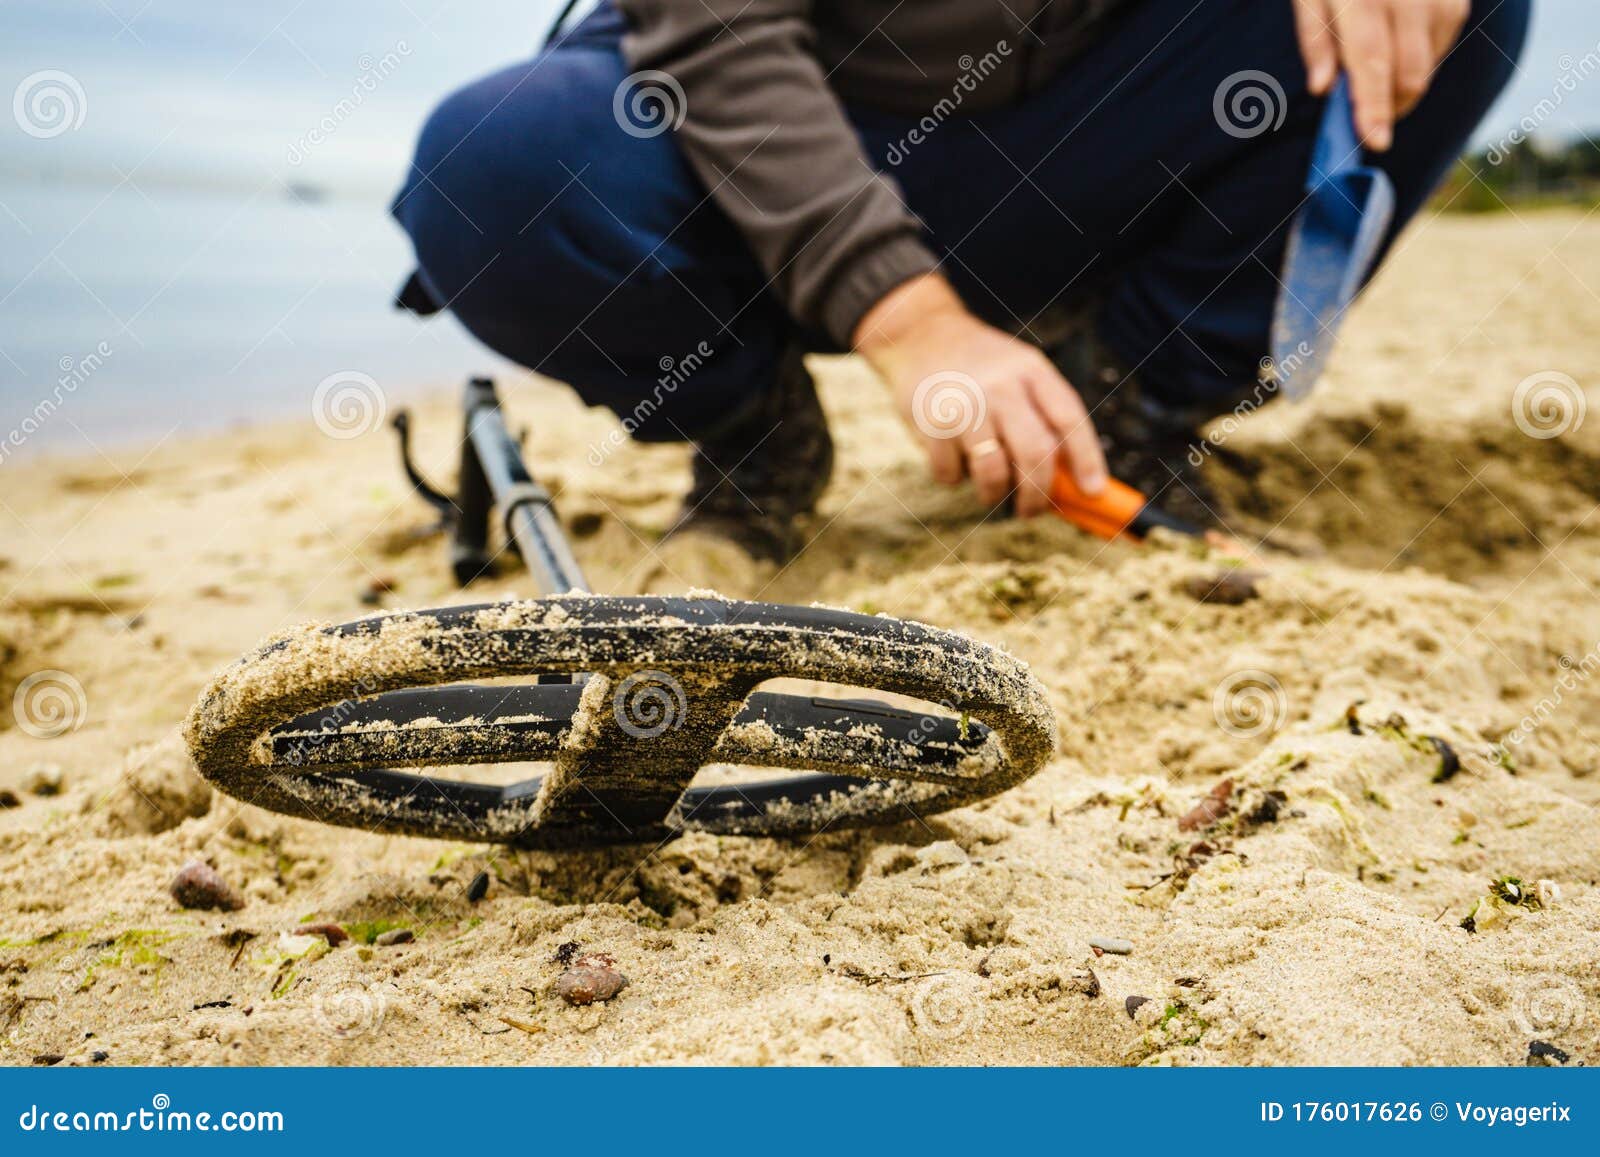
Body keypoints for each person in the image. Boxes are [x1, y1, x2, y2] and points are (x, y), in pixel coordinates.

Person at [392, 0, 1529, 563]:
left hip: (1081, 138)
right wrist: (913, 324)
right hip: (745, 144)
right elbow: (718, 30)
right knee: (491, 171)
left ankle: (1133, 403)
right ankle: (747, 424)